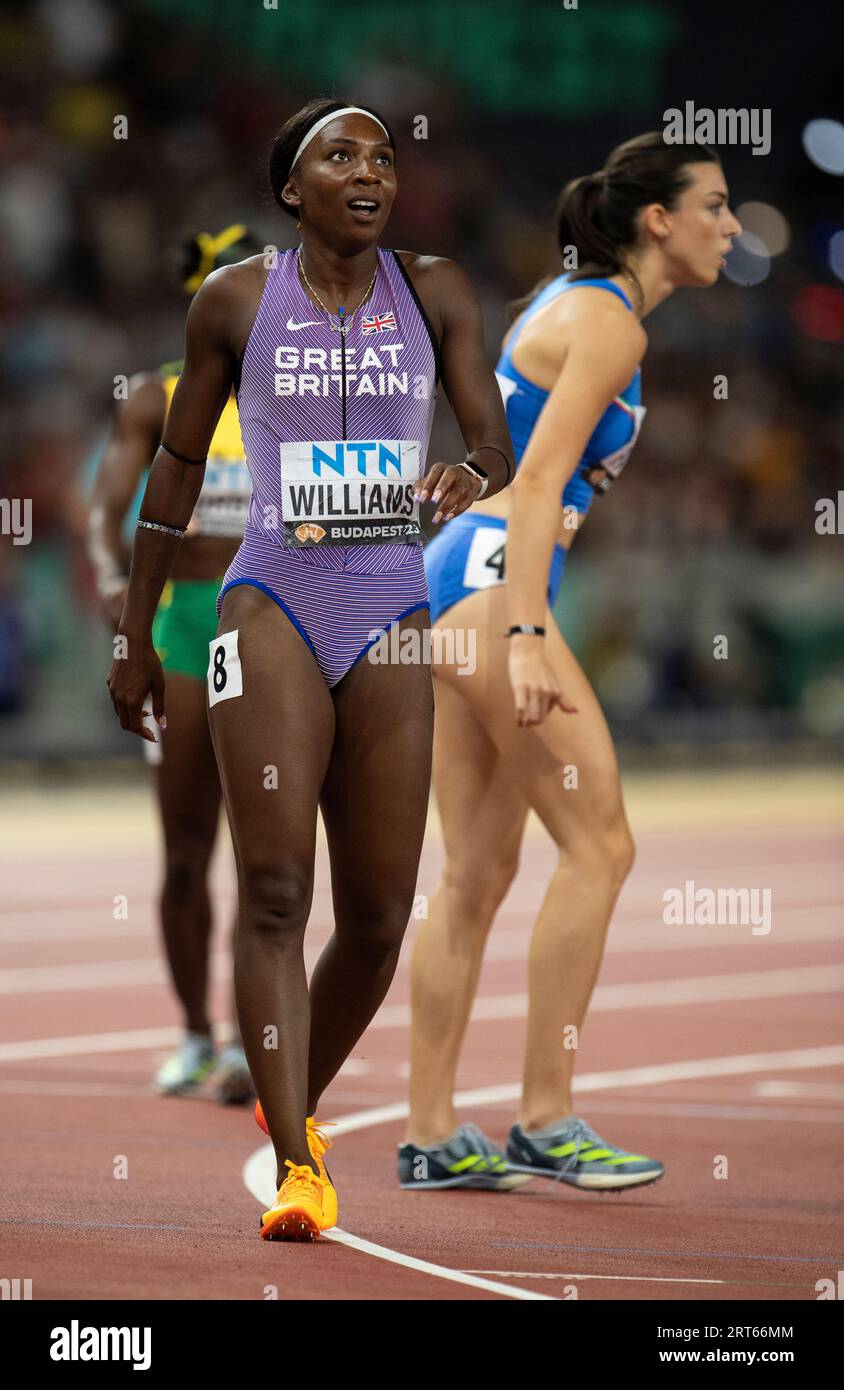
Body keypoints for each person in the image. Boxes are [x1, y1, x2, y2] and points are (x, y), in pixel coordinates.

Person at [106, 98, 514, 1240]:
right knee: (276, 889)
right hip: (272, 596)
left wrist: (470, 471)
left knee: (379, 910)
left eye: (384, 154)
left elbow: (490, 434)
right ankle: (299, 1165)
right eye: (342, 154)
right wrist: (135, 636)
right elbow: (177, 472)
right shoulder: (233, 298)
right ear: (293, 189)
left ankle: (296, 1099)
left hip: (388, 607)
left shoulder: (436, 290)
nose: (370, 169)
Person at [405, 133, 741, 1192]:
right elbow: (540, 481)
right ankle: (545, 1118)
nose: (731, 229)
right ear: (658, 220)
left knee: (475, 873)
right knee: (599, 846)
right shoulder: (605, 325)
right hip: (497, 583)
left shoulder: (569, 302)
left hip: (454, 575)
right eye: (717, 207)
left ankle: (429, 1134)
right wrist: (525, 632)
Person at [88, 225, 260, 1103]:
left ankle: (258, 1041)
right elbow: (103, 512)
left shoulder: (295, 397)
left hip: (273, 622)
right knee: (190, 850)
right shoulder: (157, 400)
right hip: (187, 625)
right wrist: (128, 612)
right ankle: (199, 1034)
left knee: (273, 859)